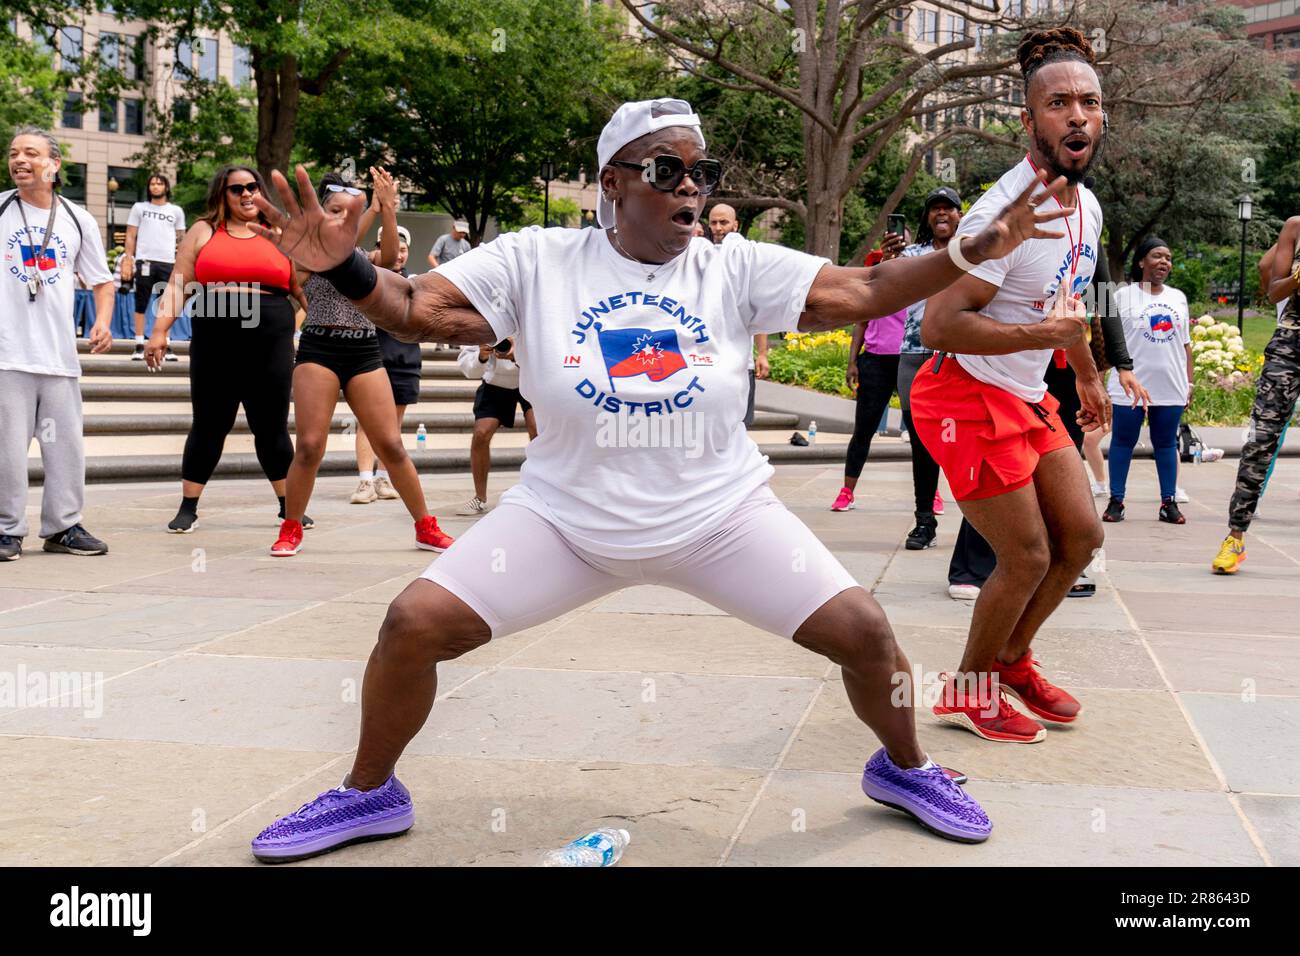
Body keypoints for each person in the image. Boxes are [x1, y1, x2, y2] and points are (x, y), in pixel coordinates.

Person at [245, 96, 1074, 859]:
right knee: (411, 625)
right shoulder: (540, 260)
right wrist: (345, 269)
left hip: (722, 518)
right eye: (665, 169)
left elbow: (866, 286)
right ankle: (369, 793)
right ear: (612, 183)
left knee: (866, 635)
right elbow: (419, 307)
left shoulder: (732, 267)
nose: (690, 187)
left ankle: (904, 766)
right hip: (564, 521)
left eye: (702, 173)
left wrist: (966, 249)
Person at [911, 28, 1110, 743]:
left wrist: (1085, 374)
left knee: (1081, 539)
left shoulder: (1085, 207)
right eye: (1058, 103)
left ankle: (1012, 659)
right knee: (1025, 554)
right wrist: (1041, 342)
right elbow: (938, 324)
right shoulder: (1003, 214)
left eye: (1089, 101)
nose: (1077, 116)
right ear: (1029, 121)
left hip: (1024, 391)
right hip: (961, 391)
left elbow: (1065, 307)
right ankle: (967, 688)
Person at [271, 169, 453, 557]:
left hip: (364, 350)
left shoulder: (362, 258)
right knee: (309, 445)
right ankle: (291, 527)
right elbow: (303, 271)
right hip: (320, 348)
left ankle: (425, 526)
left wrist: (386, 208)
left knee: (391, 443)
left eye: (347, 211)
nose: (342, 217)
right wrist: (367, 208)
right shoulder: (306, 253)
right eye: (334, 210)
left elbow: (389, 258)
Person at [144, 165, 307, 533]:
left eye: (252, 187)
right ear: (223, 194)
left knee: (271, 425)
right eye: (237, 189)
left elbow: (303, 288)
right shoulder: (204, 230)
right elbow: (179, 282)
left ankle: (289, 507)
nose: (246, 194)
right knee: (209, 423)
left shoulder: (280, 233)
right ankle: (189, 506)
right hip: (215, 335)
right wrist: (159, 331)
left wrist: (323, 327)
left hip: (271, 336)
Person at [0, 127, 114, 561]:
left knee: (65, 445)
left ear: (54, 163)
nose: (19, 160)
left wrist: (103, 322)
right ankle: (6, 528)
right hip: (7, 353)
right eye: (13, 153)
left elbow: (102, 282)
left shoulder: (77, 219)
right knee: (6, 448)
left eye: (31, 152)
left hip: (59, 356)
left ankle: (63, 526)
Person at [1213, 213, 1300, 573]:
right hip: (1291, 343)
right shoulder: (1295, 227)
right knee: (1260, 440)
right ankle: (1235, 537)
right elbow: (1273, 289)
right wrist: (1297, 276)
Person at [890, 189, 965, 547]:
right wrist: (889, 261)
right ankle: (924, 521)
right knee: (922, 445)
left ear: (959, 215)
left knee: (962, 443)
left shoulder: (971, 254)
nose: (942, 214)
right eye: (935, 208)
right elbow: (886, 289)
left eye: (948, 208)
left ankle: (979, 525)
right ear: (927, 217)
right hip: (913, 356)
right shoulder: (911, 255)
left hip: (957, 357)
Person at [1101, 238, 1191, 525]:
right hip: (1129, 385)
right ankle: (1116, 501)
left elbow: (1186, 345)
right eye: (1156, 256)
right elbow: (1107, 339)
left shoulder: (1178, 297)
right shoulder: (1120, 295)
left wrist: (1189, 383)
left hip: (1170, 384)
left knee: (1166, 444)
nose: (1164, 262)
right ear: (1141, 262)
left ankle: (1169, 503)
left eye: (1168, 257)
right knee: (1122, 442)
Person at [831, 243, 907, 515]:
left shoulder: (920, 277)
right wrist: (853, 361)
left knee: (922, 435)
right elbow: (861, 320)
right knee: (863, 429)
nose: (897, 248)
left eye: (902, 244)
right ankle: (847, 491)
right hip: (875, 360)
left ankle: (930, 493)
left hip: (909, 359)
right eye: (892, 244)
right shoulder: (875, 277)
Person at [352, 223, 420, 504]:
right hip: (371, 358)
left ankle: (384, 477)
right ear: (379, 248)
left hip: (405, 360)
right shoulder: (367, 277)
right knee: (366, 422)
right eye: (393, 248)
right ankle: (365, 481)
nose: (399, 254)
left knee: (393, 425)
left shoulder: (416, 283)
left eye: (403, 250)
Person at [454, 337, 536, 516]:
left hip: (530, 378)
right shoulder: (480, 319)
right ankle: (479, 497)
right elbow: (469, 370)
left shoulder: (530, 312)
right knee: (481, 433)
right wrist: (482, 357)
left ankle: (541, 491)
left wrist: (518, 353)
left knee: (537, 429)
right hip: (495, 382)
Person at [708, 202, 768, 423]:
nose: (718, 227)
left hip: (742, 364)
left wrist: (762, 354)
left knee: (740, 427)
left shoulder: (747, 259)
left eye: (723, 222)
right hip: (710, 361)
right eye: (713, 222)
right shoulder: (703, 257)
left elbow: (758, 310)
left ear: (735, 225)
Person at [122, 173, 185, 362]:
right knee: (141, 302)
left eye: (159, 184)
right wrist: (128, 259)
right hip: (145, 261)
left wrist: (181, 262)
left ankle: (166, 342)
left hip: (168, 262)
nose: (155, 187)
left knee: (166, 304)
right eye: (152, 184)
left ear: (166, 187)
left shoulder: (176, 211)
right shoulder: (139, 208)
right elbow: (131, 235)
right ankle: (139, 344)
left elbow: (182, 239)